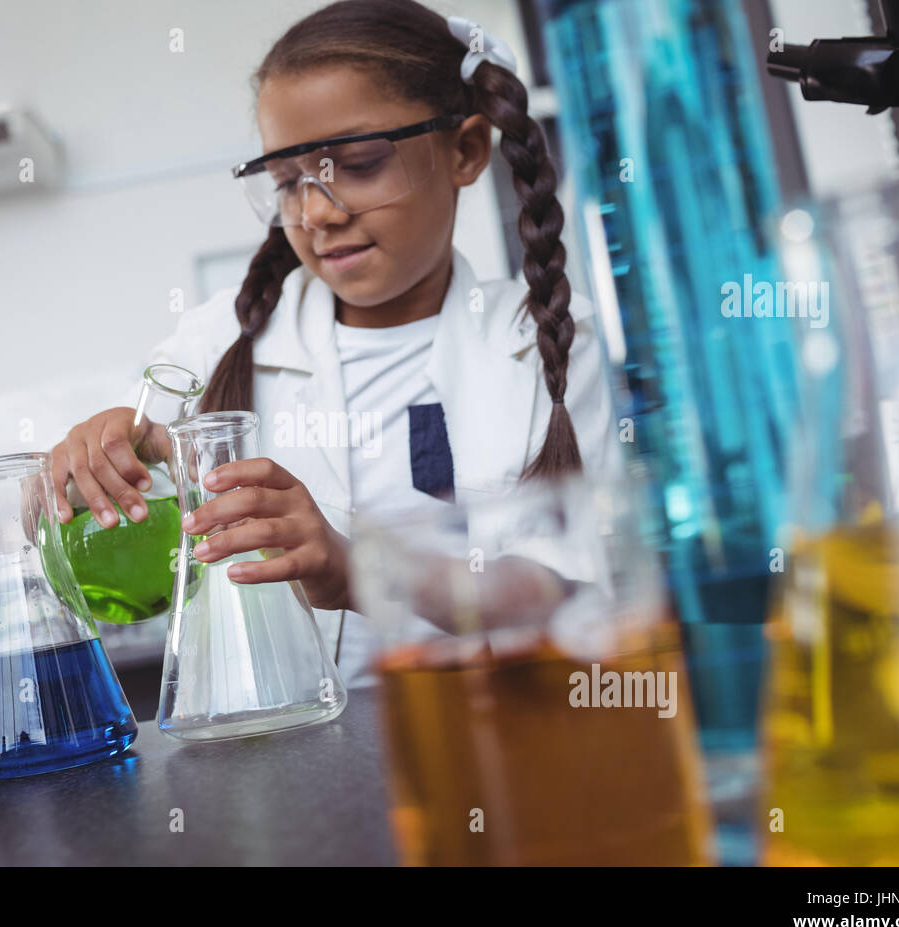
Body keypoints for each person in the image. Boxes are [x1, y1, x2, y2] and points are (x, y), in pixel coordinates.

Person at [51, 0, 618, 688]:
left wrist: (362, 570)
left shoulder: (548, 345)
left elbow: (569, 598)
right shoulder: (215, 339)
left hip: (483, 745)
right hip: (278, 766)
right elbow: (54, 515)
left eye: (357, 164)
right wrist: (76, 469)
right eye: (290, 182)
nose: (318, 211)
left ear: (465, 151)